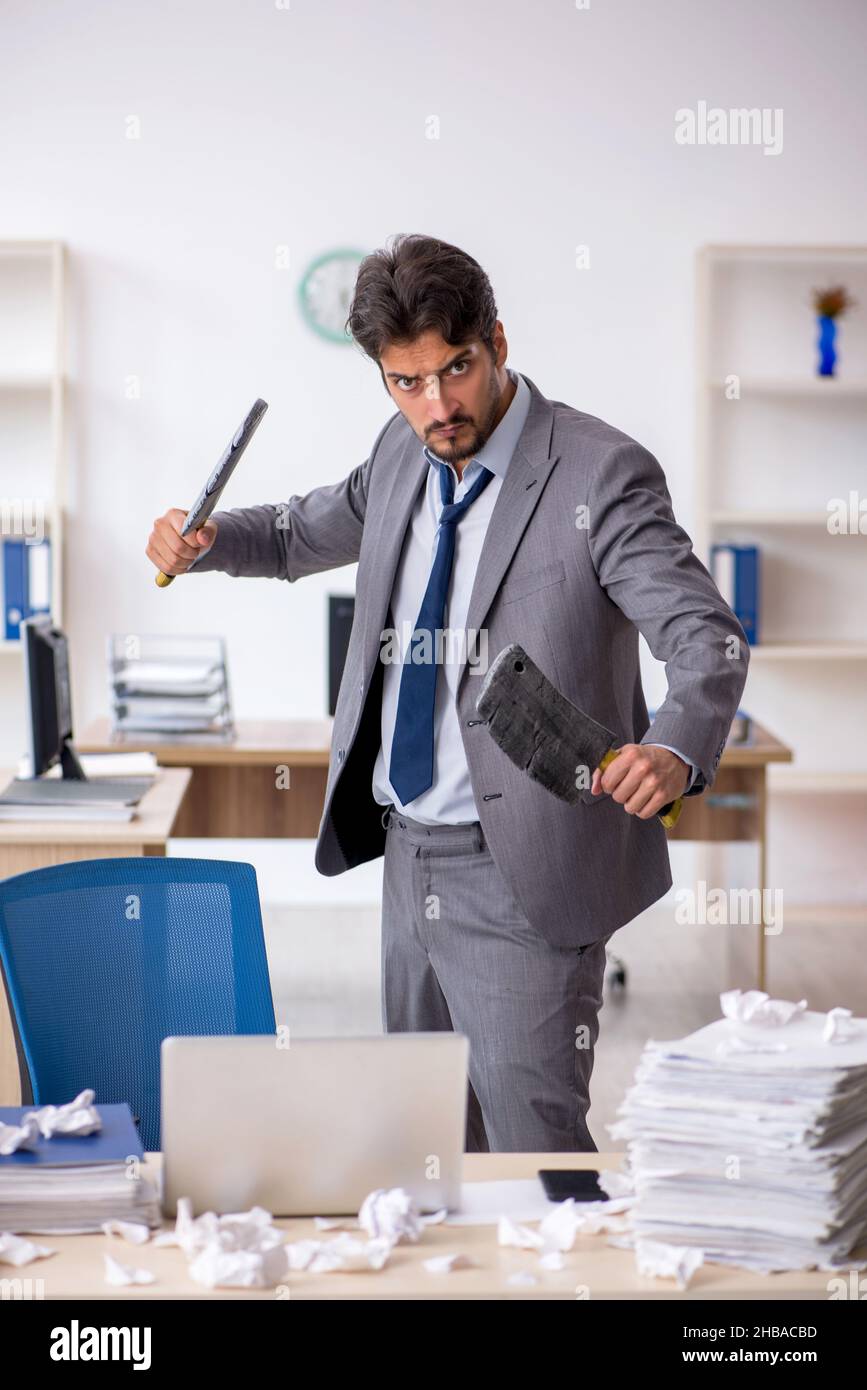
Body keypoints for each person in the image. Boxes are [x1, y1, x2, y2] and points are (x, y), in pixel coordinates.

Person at [146, 233, 749, 1153]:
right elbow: (298, 532)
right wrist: (206, 538)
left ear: (497, 342)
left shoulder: (599, 471)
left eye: (455, 370)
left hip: (526, 865)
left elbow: (702, 635)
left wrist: (671, 746)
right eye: (406, 381)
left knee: (535, 1150)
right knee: (427, 1147)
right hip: (406, 856)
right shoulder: (401, 451)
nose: (437, 404)